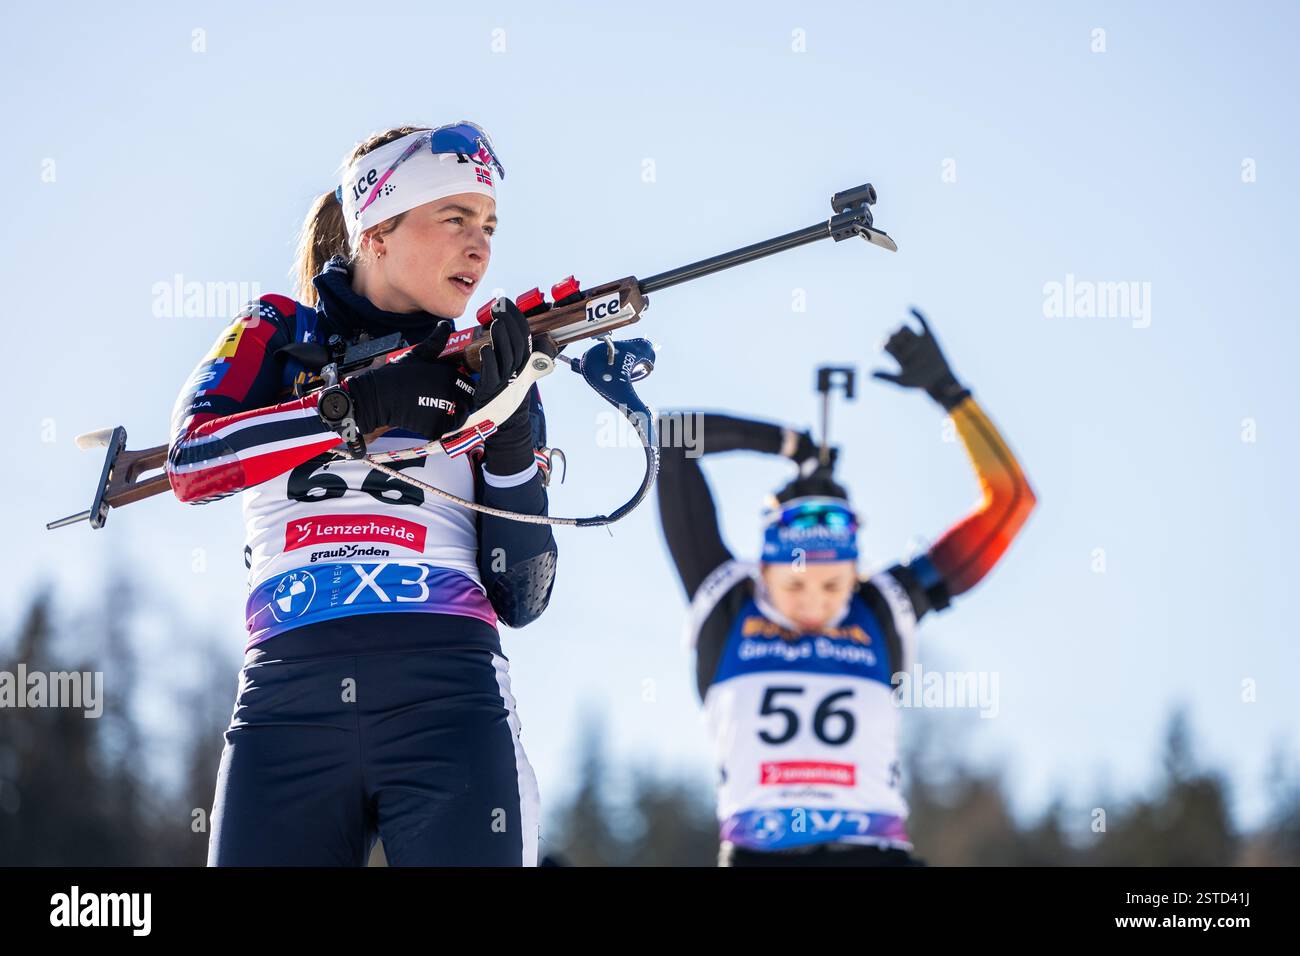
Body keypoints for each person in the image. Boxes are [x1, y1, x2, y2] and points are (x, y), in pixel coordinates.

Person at [166, 122, 556, 866]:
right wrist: (354, 407)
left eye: (490, 225)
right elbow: (193, 462)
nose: (481, 246)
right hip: (286, 704)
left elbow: (523, 596)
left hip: (449, 699)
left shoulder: (483, 364)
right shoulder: (277, 332)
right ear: (375, 230)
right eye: (455, 219)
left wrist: (509, 436)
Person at [655, 310, 1037, 866]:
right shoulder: (726, 597)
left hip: (871, 854)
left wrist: (952, 396)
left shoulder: (882, 606)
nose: (815, 602)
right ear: (764, 570)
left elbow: (1010, 503)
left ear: (855, 573)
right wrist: (790, 445)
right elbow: (671, 442)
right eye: (796, 585)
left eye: (834, 584)